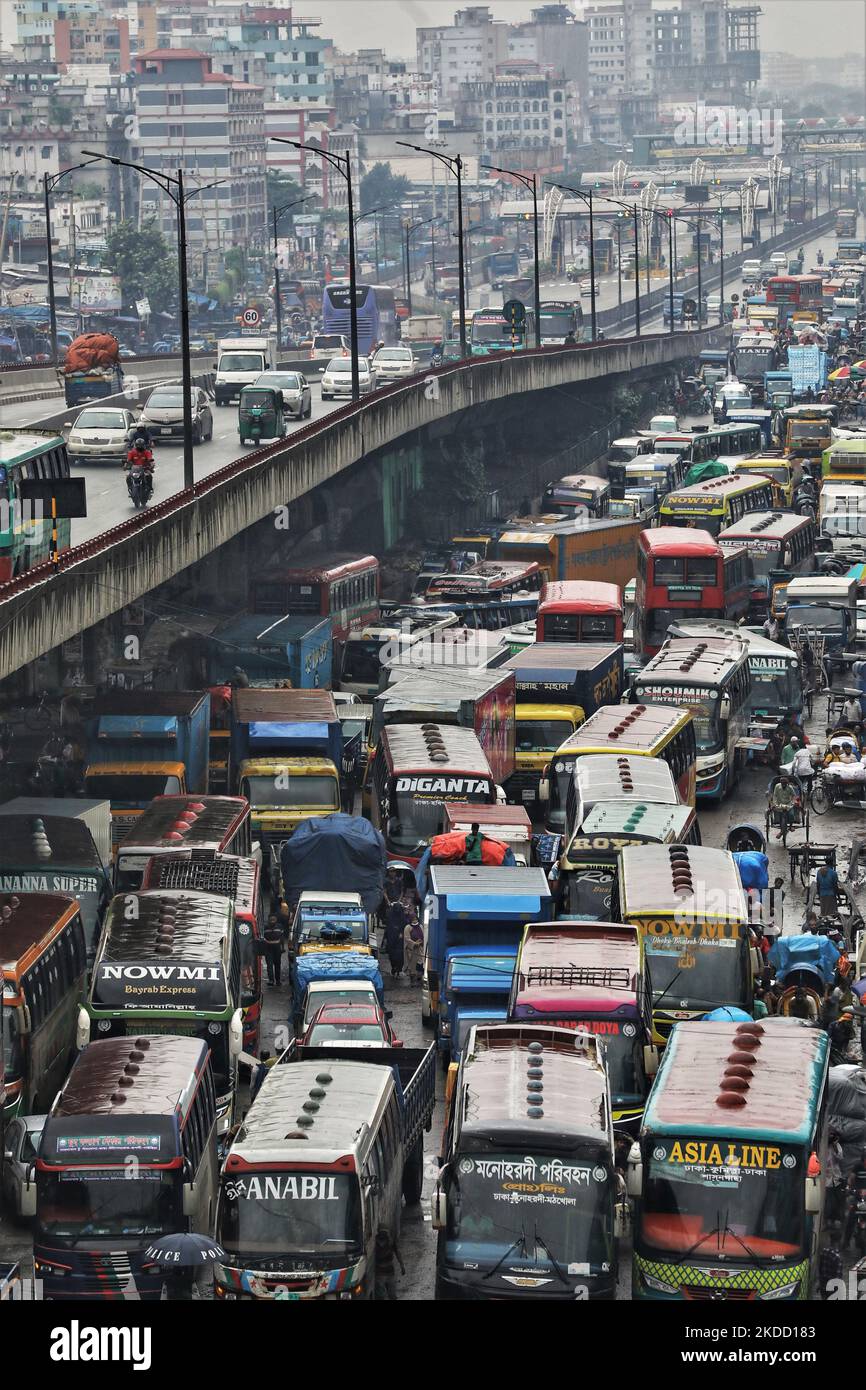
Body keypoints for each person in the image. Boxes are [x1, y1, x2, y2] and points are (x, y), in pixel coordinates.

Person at [374, 1228, 405, 1299]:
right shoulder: (387, 1241)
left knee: (388, 1295)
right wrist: (402, 1265)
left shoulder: (388, 1241)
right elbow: (398, 1253)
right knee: (387, 1295)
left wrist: (402, 1265)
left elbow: (398, 1253)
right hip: (384, 1273)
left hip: (385, 1273)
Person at [383, 896, 406, 977]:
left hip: (400, 939)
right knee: (392, 954)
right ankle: (393, 967)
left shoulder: (402, 916)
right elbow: (388, 926)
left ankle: (399, 968)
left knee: (400, 954)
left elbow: (404, 925)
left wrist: (401, 933)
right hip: (392, 937)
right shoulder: (390, 916)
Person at [262, 913, 284, 986]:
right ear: (268, 920)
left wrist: (282, 948)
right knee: (269, 965)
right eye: (271, 920)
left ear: (276, 920)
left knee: (277, 965)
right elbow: (262, 938)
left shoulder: (280, 927)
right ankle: (271, 980)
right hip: (268, 949)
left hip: (277, 949)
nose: (272, 921)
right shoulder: (265, 927)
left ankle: (278, 980)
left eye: (273, 920)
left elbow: (282, 938)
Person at [403, 914, 423, 987]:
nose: (415, 921)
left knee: (420, 963)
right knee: (412, 966)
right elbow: (407, 938)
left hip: (420, 949)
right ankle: (412, 981)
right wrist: (414, 943)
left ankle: (419, 978)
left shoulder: (420, 926)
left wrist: (420, 942)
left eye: (416, 919)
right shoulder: (408, 927)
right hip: (411, 950)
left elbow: (423, 935)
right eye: (413, 919)